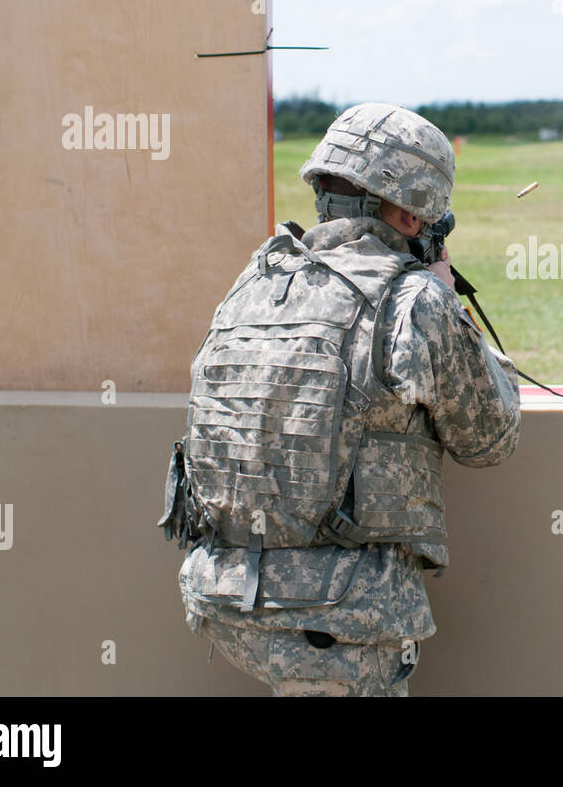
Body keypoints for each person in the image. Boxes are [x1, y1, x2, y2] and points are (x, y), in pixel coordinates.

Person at [161, 102, 521, 696]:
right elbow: (490, 439)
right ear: (409, 215)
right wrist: (448, 304)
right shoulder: (414, 302)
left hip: (226, 598)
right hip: (337, 619)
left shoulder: (256, 281)